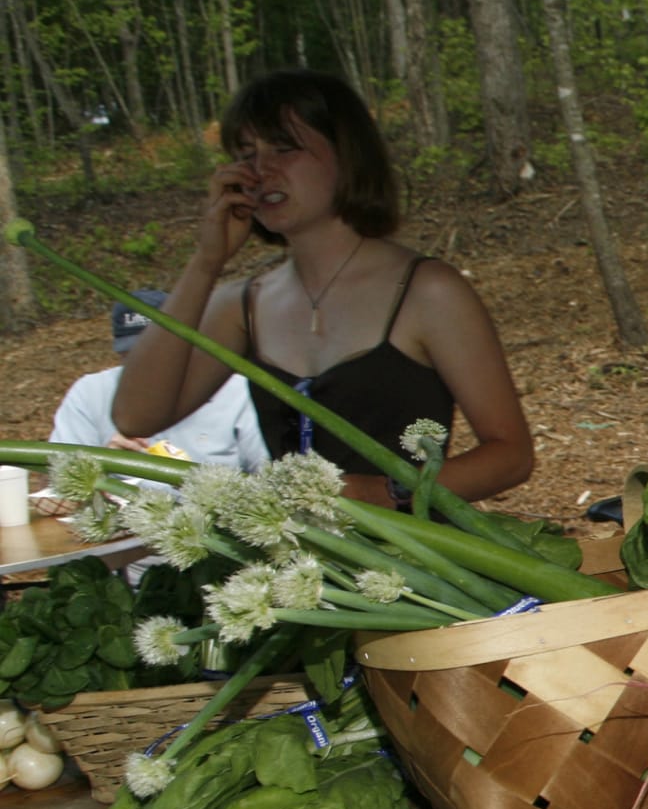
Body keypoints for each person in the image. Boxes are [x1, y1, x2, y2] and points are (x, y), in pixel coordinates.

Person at [112, 70, 534, 508]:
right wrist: (206, 261)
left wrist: (387, 491)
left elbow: (510, 456)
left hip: (416, 564)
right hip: (297, 565)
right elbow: (136, 415)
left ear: (347, 155)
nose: (259, 172)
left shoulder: (428, 292)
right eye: (245, 154)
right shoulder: (243, 305)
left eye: (283, 148)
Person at [45, 291, 268, 485]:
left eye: (159, 352)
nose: (146, 366)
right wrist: (102, 465)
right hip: (122, 529)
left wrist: (199, 485)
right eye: (133, 356)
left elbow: (275, 484)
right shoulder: (90, 393)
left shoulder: (236, 392)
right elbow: (59, 489)